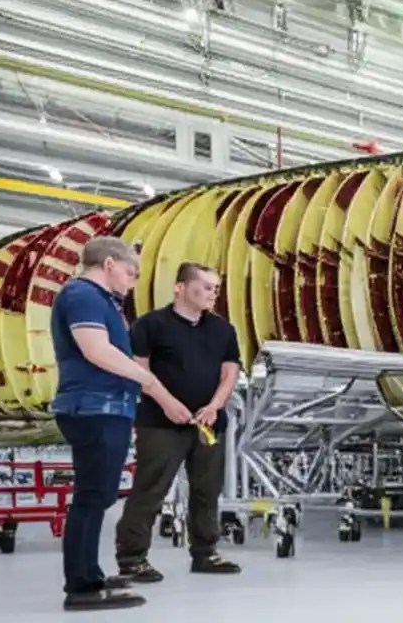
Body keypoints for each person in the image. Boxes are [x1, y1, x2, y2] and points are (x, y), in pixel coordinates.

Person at [50, 237, 194, 612]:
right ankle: (80, 586)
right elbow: (96, 351)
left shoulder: (101, 301)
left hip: (105, 407)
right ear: (110, 263)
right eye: (131, 273)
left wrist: (157, 394)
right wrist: (149, 382)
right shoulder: (83, 295)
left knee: (97, 496)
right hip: (94, 408)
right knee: (92, 497)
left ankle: (90, 573)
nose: (132, 282)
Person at [114, 262, 243, 581]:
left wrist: (215, 406)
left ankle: (206, 553)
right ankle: (132, 558)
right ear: (180, 287)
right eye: (206, 286)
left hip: (208, 424)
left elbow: (230, 372)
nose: (213, 293)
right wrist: (167, 402)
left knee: (207, 490)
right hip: (160, 423)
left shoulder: (223, 329)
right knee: (150, 488)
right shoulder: (151, 325)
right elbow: (138, 370)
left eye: (216, 287)